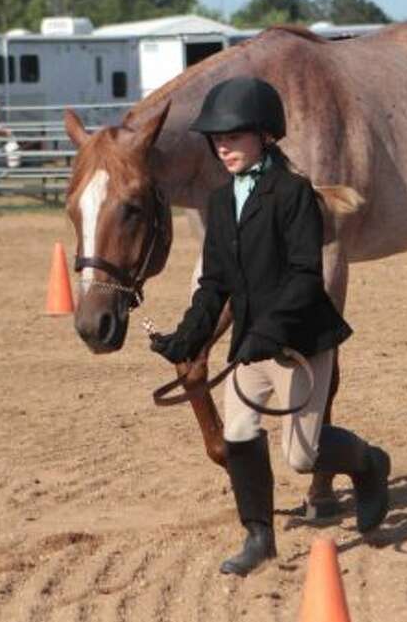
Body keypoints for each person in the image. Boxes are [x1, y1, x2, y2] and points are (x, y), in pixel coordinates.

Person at [149, 77, 391, 577]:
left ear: (265, 136)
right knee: (238, 435)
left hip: (299, 340)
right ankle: (258, 536)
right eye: (216, 138)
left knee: (302, 456)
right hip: (250, 345)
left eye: (233, 136)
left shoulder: (294, 194)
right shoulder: (219, 204)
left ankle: (369, 465)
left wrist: (271, 332)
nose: (222, 145)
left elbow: (307, 276)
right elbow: (213, 285)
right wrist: (186, 337)